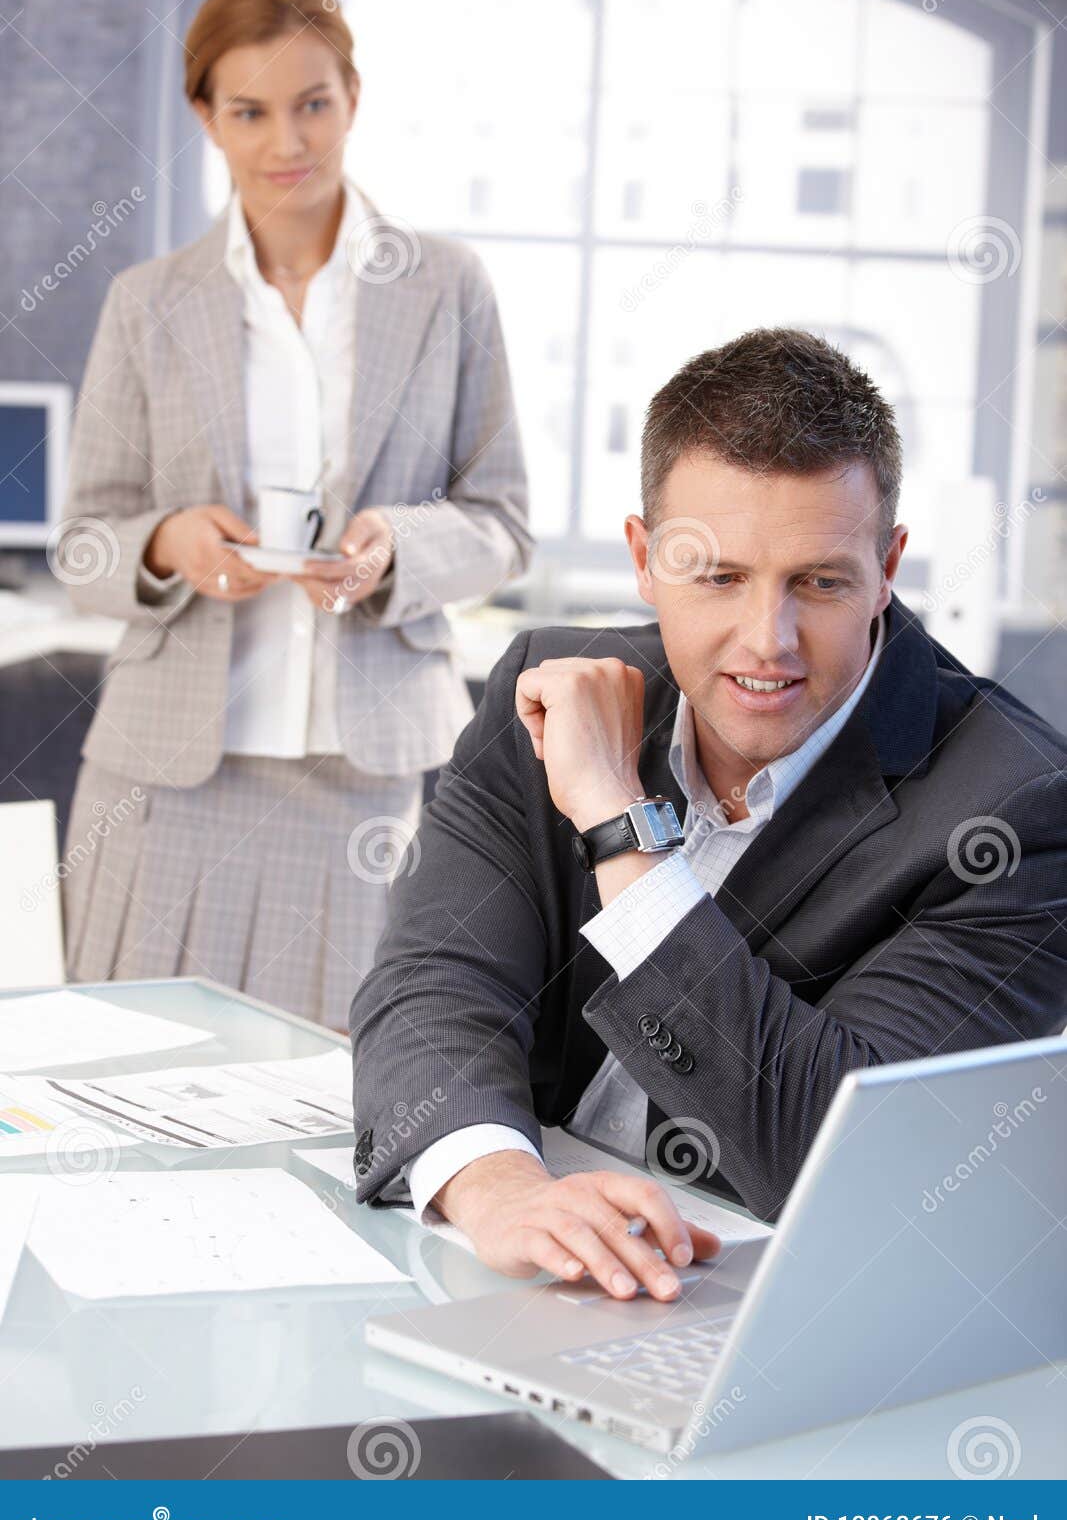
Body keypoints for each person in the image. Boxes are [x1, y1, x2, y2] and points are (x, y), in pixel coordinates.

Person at [350, 326, 1067, 1299]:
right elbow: (432, 982)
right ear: (643, 560)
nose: (765, 642)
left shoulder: (1014, 811)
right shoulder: (542, 687)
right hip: (515, 1277)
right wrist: (497, 1186)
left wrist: (616, 821)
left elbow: (828, 1151)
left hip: (776, 1307)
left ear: (886, 565)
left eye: (817, 581)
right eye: (718, 576)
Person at [58, 0, 531, 1029]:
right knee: (127, 1080)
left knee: (342, 1087)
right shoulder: (148, 304)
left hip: (361, 780)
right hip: (166, 780)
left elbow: (501, 522)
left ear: (352, 99)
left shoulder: (444, 286)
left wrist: (392, 551)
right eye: (250, 111)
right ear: (205, 118)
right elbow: (84, 545)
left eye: (313, 103)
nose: (288, 141)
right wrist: (171, 543)